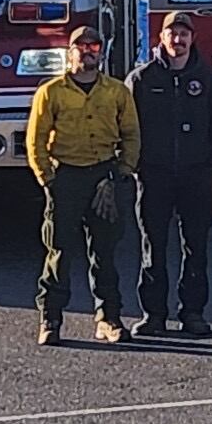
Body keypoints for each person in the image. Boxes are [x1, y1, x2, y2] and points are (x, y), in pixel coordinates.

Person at [26, 25, 138, 346]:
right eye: (81, 46)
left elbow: (131, 134)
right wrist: (48, 179)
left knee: (105, 252)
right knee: (59, 251)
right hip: (66, 177)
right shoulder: (51, 92)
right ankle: (51, 318)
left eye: (94, 46)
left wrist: (121, 173)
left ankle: (109, 319)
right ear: (70, 52)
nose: (88, 51)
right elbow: (35, 140)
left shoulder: (116, 91)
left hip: (104, 176)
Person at [126, 11, 212, 337]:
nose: (179, 39)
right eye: (173, 32)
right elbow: (127, 127)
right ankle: (154, 314)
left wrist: (210, 167)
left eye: (184, 33)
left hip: (195, 177)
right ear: (162, 37)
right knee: (152, 246)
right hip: (154, 176)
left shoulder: (209, 80)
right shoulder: (142, 80)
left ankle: (193, 313)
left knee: (195, 247)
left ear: (192, 38)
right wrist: (137, 166)